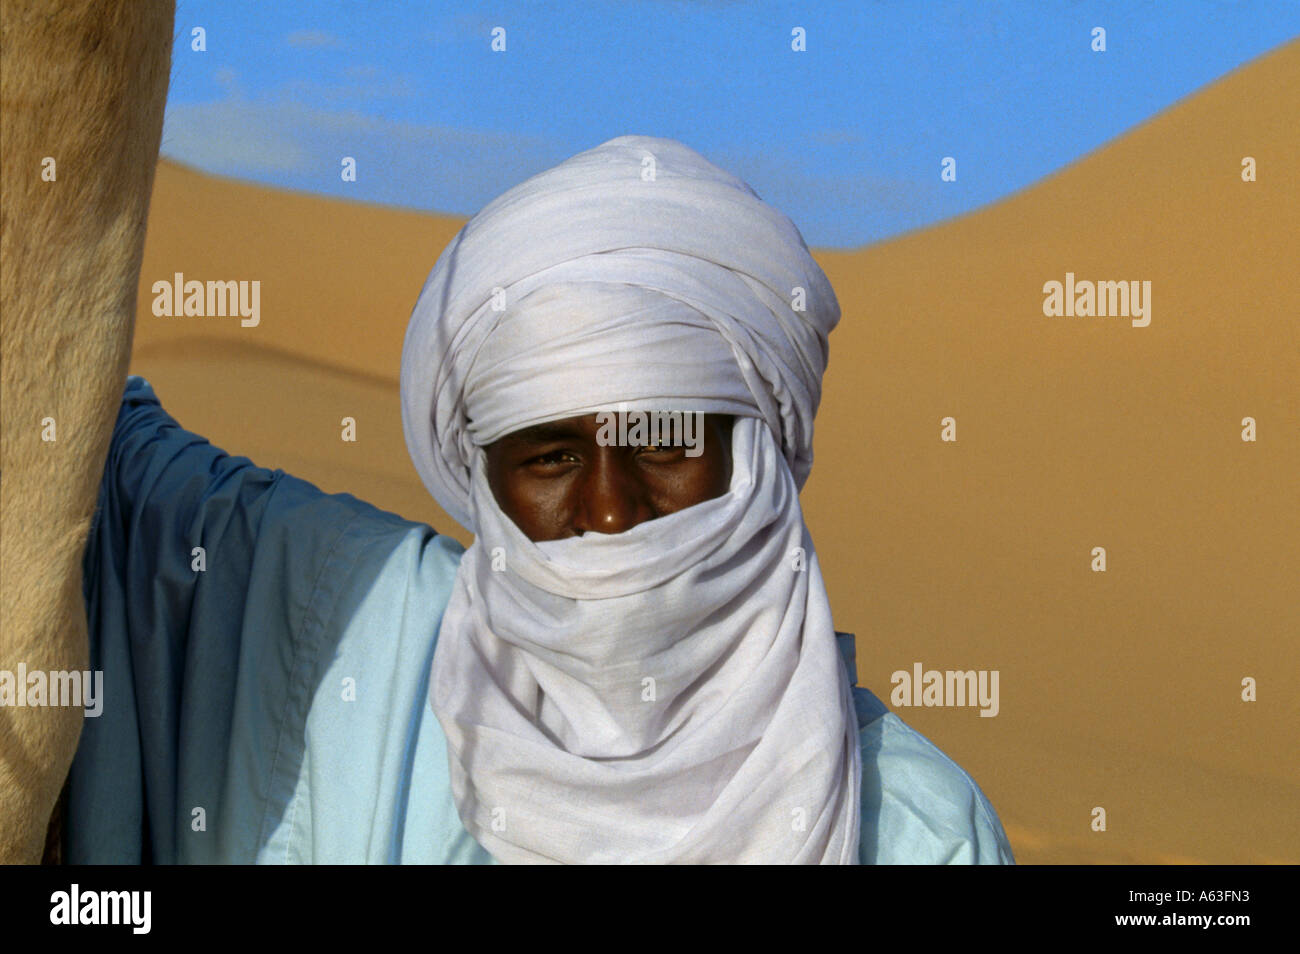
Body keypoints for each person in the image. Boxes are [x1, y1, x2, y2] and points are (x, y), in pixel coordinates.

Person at [67, 135, 1014, 864]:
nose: (609, 512)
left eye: (665, 444)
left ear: (758, 459)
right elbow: (79, 463)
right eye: (552, 458)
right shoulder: (360, 679)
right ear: (484, 482)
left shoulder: (922, 835)